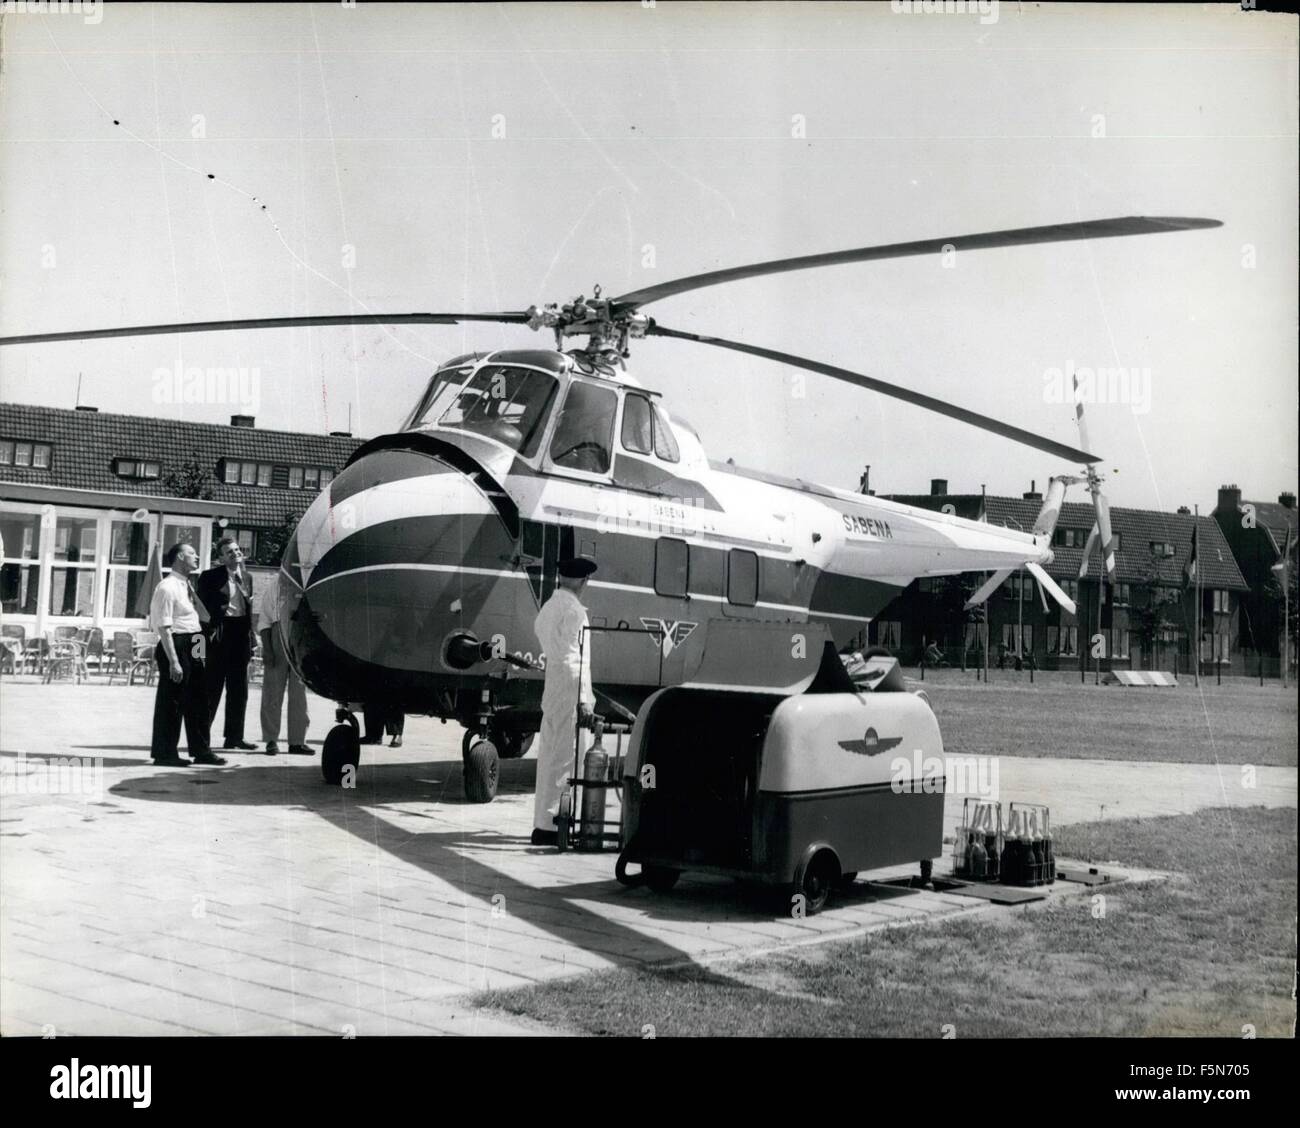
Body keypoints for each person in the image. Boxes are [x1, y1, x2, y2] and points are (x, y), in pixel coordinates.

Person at [530, 554, 597, 847]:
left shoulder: (548, 607)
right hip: (571, 681)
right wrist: (584, 698)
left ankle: (542, 823)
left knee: (548, 752)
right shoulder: (575, 611)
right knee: (567, 754)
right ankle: (554, 825)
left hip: (554, 680)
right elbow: (580, 659)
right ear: (583, 581)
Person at [148, 542, 225, 767]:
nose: (197, 556)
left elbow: (197, 621)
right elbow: (163, 627)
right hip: (178, 643)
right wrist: (174, 661)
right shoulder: (167, 587)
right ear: (180, 556)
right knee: (173, 699)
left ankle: (202, 750)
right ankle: (165, 753)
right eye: (192, 553)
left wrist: (200, 657)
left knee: (201, 697)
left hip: (196, 640)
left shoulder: (188, 585)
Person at [197, 536, 257, 750]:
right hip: (220, 634)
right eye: (229, 552)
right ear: (221, 558)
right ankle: (201, 738)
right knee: (212, 688)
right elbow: (201, 612)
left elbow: (249, 611)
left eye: (237, 549)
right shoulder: (209, 577)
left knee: (239, 689)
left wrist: (252, 639)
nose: (235, 553)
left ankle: (234, 737)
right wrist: (201, 644)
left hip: (241, 634)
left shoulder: (248, 577)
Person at [257, 569, 311, 756]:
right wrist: (268, 649)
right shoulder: (275, 586)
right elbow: (264, 620)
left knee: (299, 694)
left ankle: (297, 741)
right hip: (277, 636)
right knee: (273, 692)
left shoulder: (307, 586)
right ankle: (271, 740)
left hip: (300, 638)